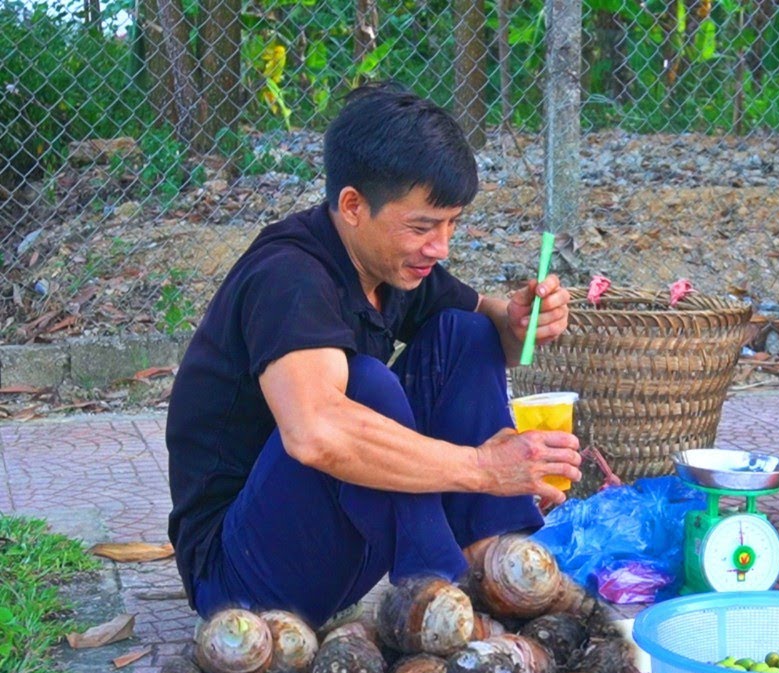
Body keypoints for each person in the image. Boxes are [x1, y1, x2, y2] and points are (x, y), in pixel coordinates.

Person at [166, 83, 582, 628]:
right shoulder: (290, 277)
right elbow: (315, 431)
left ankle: (497, 561)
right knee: (365, 389)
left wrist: (520, 321)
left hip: (332, 549)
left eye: (452, 223)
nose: (441, 247)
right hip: (240, 579)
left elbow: (492, 334)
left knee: (465, 332)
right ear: (353, 206)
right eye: (422, 226)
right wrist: (483, 468)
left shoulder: (391, 266)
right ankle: (439, 596)